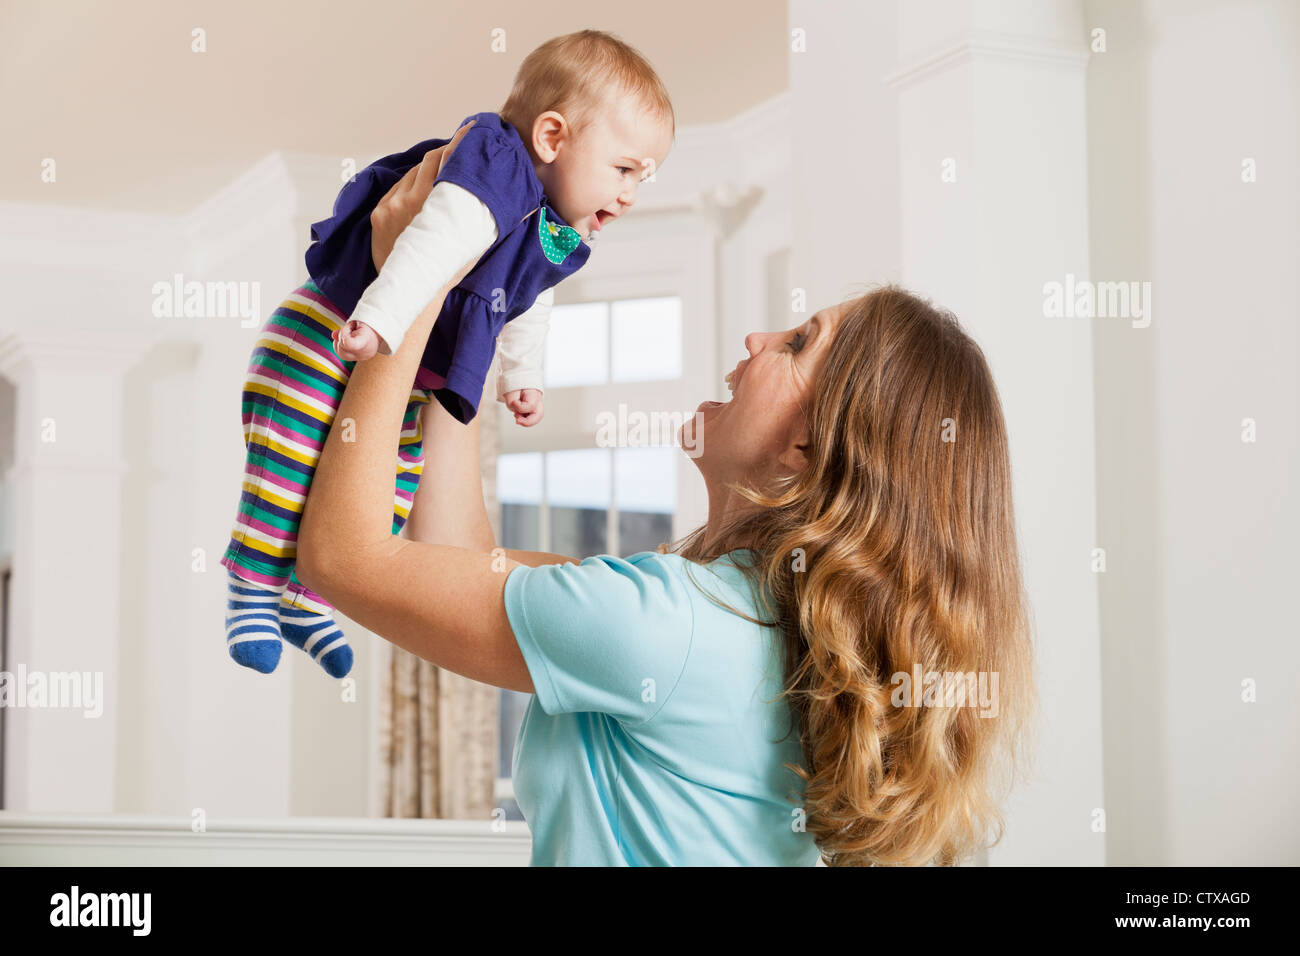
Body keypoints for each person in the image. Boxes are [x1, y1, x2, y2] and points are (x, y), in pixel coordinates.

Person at [296, 153, 1038, 868]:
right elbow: (459, 565)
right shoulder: (731, 621)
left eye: (800, 342)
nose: (758, 337)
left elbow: (344, 558)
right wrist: (471, 323)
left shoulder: (665, 627)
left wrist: (412, 282)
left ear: (810, 449)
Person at [220, 29, 674, 679]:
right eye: (625, 169)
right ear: (551, 138)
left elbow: (527, 300)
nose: (631, 194)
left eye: (642, 177)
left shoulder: (549, 225)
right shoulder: (493, 168)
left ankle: (303, 598)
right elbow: (428, 244)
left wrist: (523, 374)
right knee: (287, 468)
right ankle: (249, 584)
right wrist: (378, 319)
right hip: (329, 331)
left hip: (396, 373)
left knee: (394, 486)